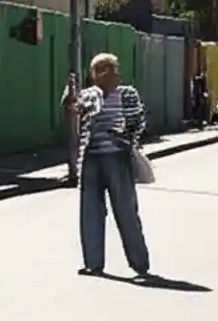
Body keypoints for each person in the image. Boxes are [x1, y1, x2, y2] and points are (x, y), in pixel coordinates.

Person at [61, 52, 151, 278]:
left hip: (117, 156)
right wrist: (70, 93)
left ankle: (139, 262)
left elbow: (139, 122)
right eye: (98, 70)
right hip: (91, 158)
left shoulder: (128, 94)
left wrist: (124, 135)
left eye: (107, 69)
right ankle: (93, 263)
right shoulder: (89, 95)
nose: (103, 74)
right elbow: (73, 108)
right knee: (90, 211)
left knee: (126, 210)